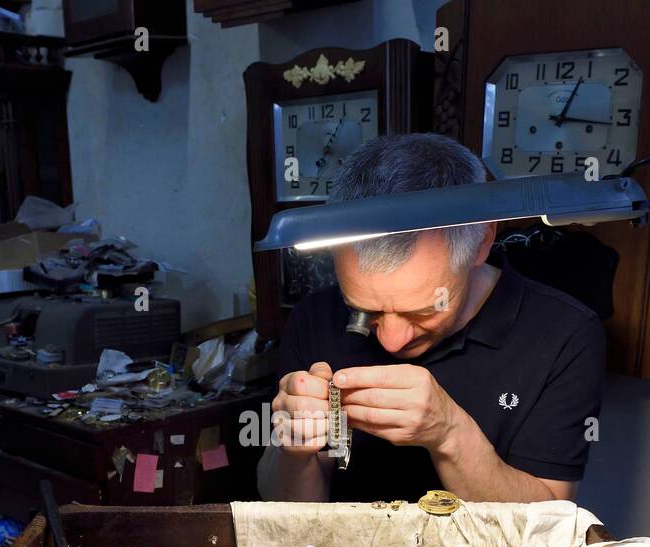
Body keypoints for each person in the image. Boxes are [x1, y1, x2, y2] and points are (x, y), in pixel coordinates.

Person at [257, 132, 606, 504]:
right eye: (365, 310)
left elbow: (546, 523)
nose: (392, 340)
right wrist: (293, 448)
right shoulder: (314, 317)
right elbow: (285, 506)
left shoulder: (564, 334)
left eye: (422, 311)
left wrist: (449, 433)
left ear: (481, 242)